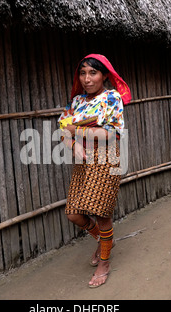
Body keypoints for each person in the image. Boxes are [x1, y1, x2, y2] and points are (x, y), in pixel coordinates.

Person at [58, 53, 131, 288]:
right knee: (73, 213)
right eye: (82, 73)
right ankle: (104, 240)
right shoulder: (77, 102)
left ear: (104, 76)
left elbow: (110, 134)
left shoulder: (112, 98)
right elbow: (62, 129)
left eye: (93, 73)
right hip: (83, 160)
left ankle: (104, 264)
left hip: (107, 158)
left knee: (102, 214)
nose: (87, 79)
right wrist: (73, 145)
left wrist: (75, 132)